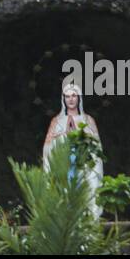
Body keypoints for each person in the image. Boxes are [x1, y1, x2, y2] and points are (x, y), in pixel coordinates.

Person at [42, 83, 103, 217]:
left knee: (86, 196)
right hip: (63, 166)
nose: (70, 99)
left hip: (84, 167)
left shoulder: (88, 120)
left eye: (74, 96)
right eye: (67, 96)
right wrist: (63, 137)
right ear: (63, 99)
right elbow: (48, 148)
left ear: (79, 98)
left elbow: (96, 147)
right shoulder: (56, 121)